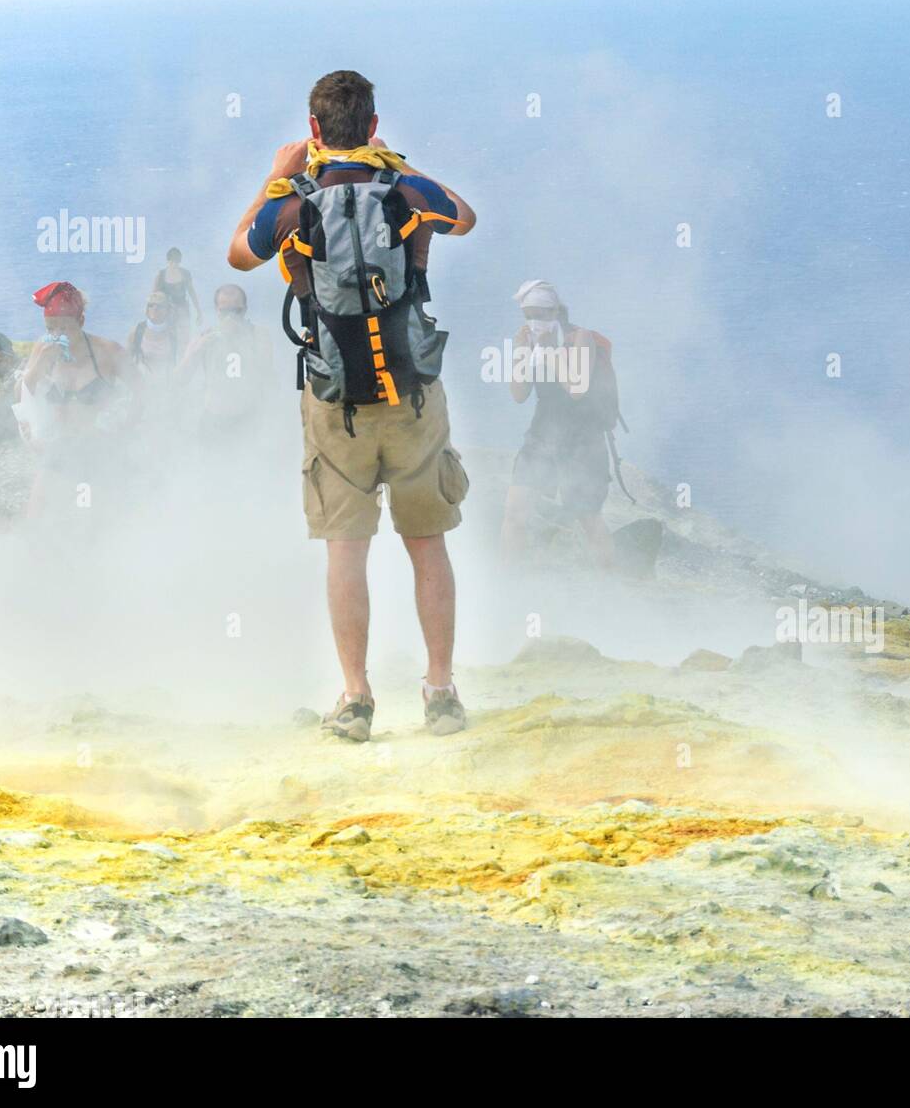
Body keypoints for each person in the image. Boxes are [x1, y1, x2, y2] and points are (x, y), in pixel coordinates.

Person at [227, 69, 475, 742]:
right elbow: (466, 216)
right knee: (427, 544)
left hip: (335, 399)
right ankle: (441, 692)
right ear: (371, 126)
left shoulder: (293, 201)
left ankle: (357, 698)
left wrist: (276, 177)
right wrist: (401, 164)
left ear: (313, 132)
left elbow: (237, 257)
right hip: (412, 393)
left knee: (346, 549)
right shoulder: (405, 189)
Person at [500, 279, 617, 570]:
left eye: (540, 313)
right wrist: (520, 354)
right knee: (515, 512)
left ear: (556, 311)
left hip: (582, 440)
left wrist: (549, 352)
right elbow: (519, 394)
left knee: (587, 515)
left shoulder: (581, 338)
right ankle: (508, 579)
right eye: (528, 314)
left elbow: (576, 387)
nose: (534, 320)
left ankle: (612, 585)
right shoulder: (531, 343)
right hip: (542, 435)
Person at [14, 282, 138, 517]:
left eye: (65, 328)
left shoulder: (109, 352)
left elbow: (143, 392)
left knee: (95, 525)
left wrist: (124, 429)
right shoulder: (44, 348)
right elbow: (20, 395)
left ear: (81, 321)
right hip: (57, 448)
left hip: (99, 450)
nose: (58, 335)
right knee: (36, 522)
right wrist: (38, 367)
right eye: (51, 328)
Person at [175, 282, 273, 446]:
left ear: (245, 309)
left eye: (237, 311)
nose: (231, 316)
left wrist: (242, 340)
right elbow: (179, 379)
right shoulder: (204, 337)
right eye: (224, 311)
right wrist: (197, 350)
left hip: (248, 419)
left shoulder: (259, 335)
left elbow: (266, 374)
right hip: (213, 421)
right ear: (217, 310)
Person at [127, 290, 181, 380]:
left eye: (160, 305)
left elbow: (179, 362)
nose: (155, 308)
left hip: (166, 385)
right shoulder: (137, 331)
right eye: (151, 305)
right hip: (142, 385)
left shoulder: (173, 333)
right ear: (146, 309)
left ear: (168, 310)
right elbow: (127, 362)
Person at [152, 248, 201, 341]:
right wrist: (152, 316)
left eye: (177, 262)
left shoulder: (185, 274)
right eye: (172, 262)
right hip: (166, 310)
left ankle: (184, 352)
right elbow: (153, 297)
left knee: (185, 335)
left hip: (183, 309)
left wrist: (199, 311)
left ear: (179, 262)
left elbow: (192, 293)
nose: (174, 265)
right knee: (167, 336)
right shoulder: (160, 275)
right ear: (168, 261)